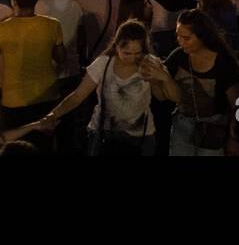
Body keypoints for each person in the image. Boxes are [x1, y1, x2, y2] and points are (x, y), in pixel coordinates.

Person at [44, 19, 156, 156]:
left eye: (138, 53)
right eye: (127, 53)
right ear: (116, 46)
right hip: (103, 133)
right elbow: (78, 95)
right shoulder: (103, 64)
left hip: (140, 135)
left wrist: (163, 78)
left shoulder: (150, 64)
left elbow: (165, 96)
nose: (132, 58)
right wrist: (53, 115)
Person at [146, 9, 239, 156]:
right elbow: (161, 97)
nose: (180, 41)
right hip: (182, 125)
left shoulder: (223, 63)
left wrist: (235, 138)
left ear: (202, 37)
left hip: (213, 128)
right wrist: (154, 79)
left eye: (186, 38)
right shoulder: (179, 56)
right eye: (178, 36)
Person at [0, 0, 65, 129]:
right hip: (47, 94)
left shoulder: (0, 29)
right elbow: (61, 58)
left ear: (13, 0)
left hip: (15, 99)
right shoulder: (53, 24)